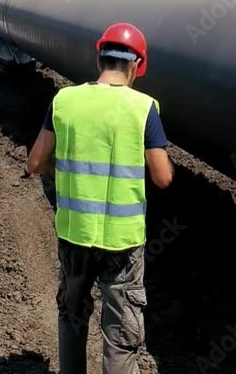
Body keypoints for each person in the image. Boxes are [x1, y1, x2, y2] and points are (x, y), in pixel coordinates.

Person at [26, 21, 174, 374]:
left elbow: (34, 162)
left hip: (75, 236)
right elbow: (163, 177)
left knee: (72, 313)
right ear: (136, 65)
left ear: (99, 59)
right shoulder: (142, 108)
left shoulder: (65, 100)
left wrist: (62, 175)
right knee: (121, 331)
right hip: (122, 245)